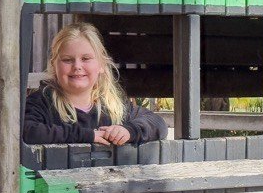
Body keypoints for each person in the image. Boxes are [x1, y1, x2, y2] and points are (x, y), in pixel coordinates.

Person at [21, 21, 169, 148]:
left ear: (102, 65)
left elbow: (159, 124)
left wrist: (129, 131)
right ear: (54, 66)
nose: (77, 66)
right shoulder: (40, 102)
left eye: (86, 59)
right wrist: (87, 136)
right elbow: (28, 131)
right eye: (67, 60)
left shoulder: (113, 107)